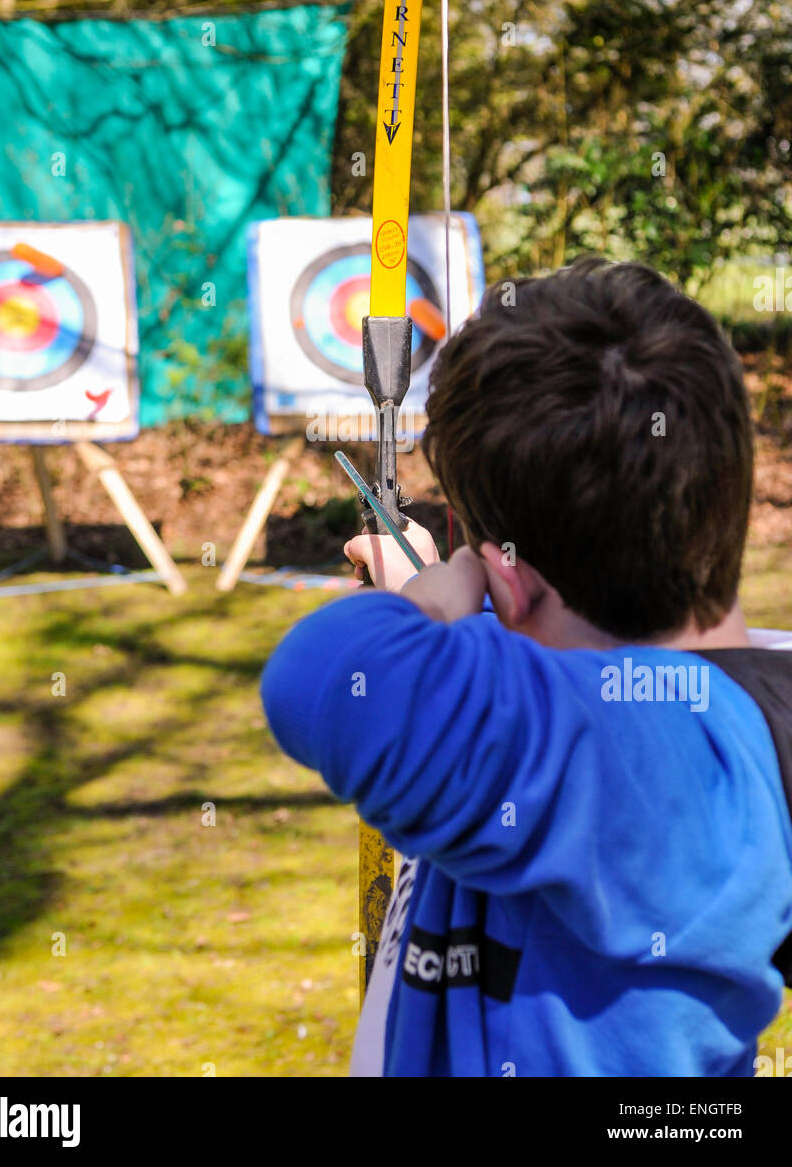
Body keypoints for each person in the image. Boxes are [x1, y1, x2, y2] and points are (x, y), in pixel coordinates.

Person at [261, 257, 792, 1077]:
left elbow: (317, 676)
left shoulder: (648, 762)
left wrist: (429, 610)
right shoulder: (730, 716)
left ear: (506, 578)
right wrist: (461, 609)